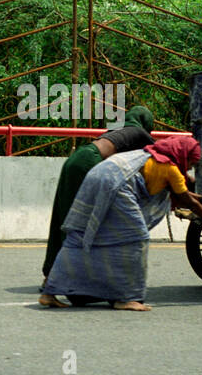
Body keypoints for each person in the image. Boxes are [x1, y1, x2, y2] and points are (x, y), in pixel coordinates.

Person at [41, 136, 202, 311]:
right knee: (136, 237)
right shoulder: (171, 168)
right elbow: (186, 199)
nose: (190, 167)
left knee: (81, 235)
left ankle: (49, 292)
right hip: (119, 185)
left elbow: (182, 193)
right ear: (182, 154)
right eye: (191, 162)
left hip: (100, 174)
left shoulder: (149, 156)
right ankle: (125, 297)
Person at [41, 105, 155, 282]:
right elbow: (157, 159)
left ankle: (50, 275)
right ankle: (72, 277)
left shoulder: (117, 129)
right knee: (85, 223)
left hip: (76, 158)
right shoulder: (140, 135)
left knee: (63, 216)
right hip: (91, 163)